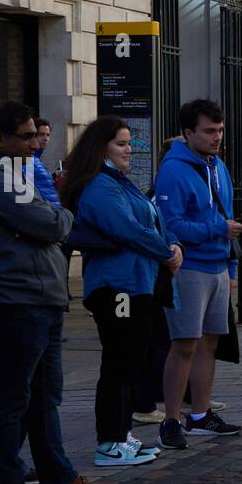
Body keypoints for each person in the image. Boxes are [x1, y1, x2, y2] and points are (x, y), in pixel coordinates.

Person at [0, 101, 116, 484]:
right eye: (27, 136)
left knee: (44, 396)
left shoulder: (12, 172)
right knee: (13, 397)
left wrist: (52, 216)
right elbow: (51, 224)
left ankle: (59, 478)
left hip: (39, 296)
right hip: (14, 300)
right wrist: (60, 215)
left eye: (36, 135)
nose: (36, 144)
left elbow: (45, 221)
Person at [62, 116, 182, 464]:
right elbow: (126, 229)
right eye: (121, 143)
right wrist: (165, 251)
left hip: (138, 283)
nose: (130, 149)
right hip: (117, 289)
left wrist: (173, 246)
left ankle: (121, 436)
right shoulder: (100, 186)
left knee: (134, 362)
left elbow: (154, 218)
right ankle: (109, 442)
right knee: (120, 363)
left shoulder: (120, 182)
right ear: (101, 147)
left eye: (130, 143)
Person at [153, 100, 242, 448]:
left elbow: (229, 217)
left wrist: (232, 267)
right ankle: (171, 420)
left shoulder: (218, 165)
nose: (217, 137)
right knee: (184, 345)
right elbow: (170, 224)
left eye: (219, 130)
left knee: (209, 344)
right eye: (209, 131)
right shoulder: (173, 170)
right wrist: (217, 229)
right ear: (188, 133)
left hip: (218, 267)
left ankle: (201, 415)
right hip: (189, 268)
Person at [31, 117, 61, 206]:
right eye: (41, 134)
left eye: (48, 135)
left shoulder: (36, 160)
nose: (45, 138)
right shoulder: (28, 160)